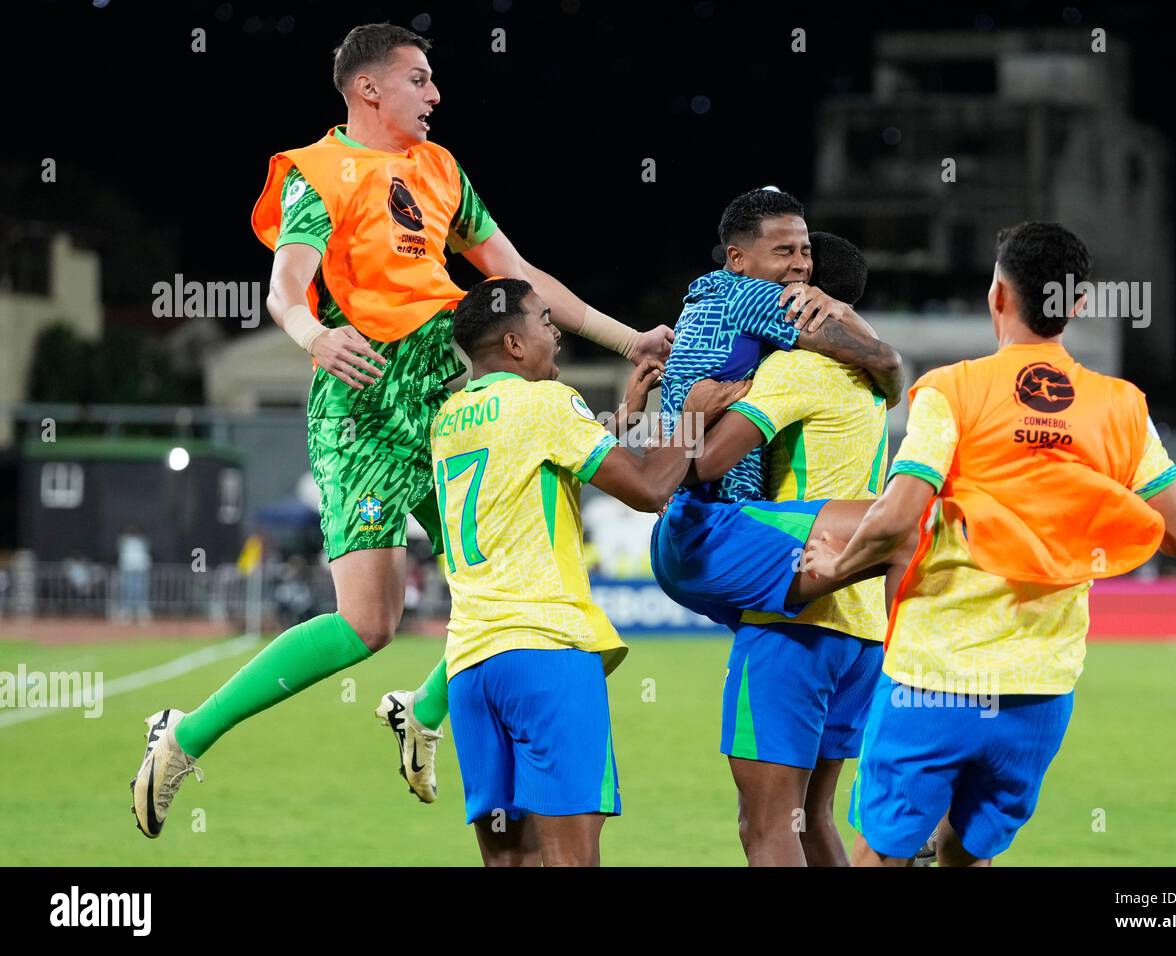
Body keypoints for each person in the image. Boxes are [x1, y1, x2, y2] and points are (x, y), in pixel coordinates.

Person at [130, 23, 673, 838]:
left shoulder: (440, 168)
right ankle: (184, 735)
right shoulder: (319, 174)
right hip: (365, 411)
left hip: (452, 404)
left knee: (507, 591)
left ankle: (420, 712)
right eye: (420, 80)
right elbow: (286, 288)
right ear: (369, 89)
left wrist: (627, 339)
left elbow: (516, 276)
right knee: (369, 624)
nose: (436, 94)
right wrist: (313, 337)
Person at [802, 222, 1176, 866]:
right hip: (1041, 691)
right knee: (968, 856)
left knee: (882, 855)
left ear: (997, 295)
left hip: (931, 683)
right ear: (1075, 305)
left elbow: (897, 515)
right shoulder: (1121, 407)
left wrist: (833, 566)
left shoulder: (952, 391)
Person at [432, 278, 746, 866]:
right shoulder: (549, 403)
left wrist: (626, 415)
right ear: (515, 343)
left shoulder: (450, 418)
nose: (557, 334)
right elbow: (651, 489)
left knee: (509, 860)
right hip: (547, 654)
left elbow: (540, 461)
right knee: (573, 858)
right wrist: (694, 419)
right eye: (545, 322)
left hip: (470, 665)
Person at [681, 232, 892, 865]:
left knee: (765, 827)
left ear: (805, 297)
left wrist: (685, 413)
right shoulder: (872, 380)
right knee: (812, 818)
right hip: (862, 627)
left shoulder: (794, 368)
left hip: (794, 611)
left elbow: (709, 463)